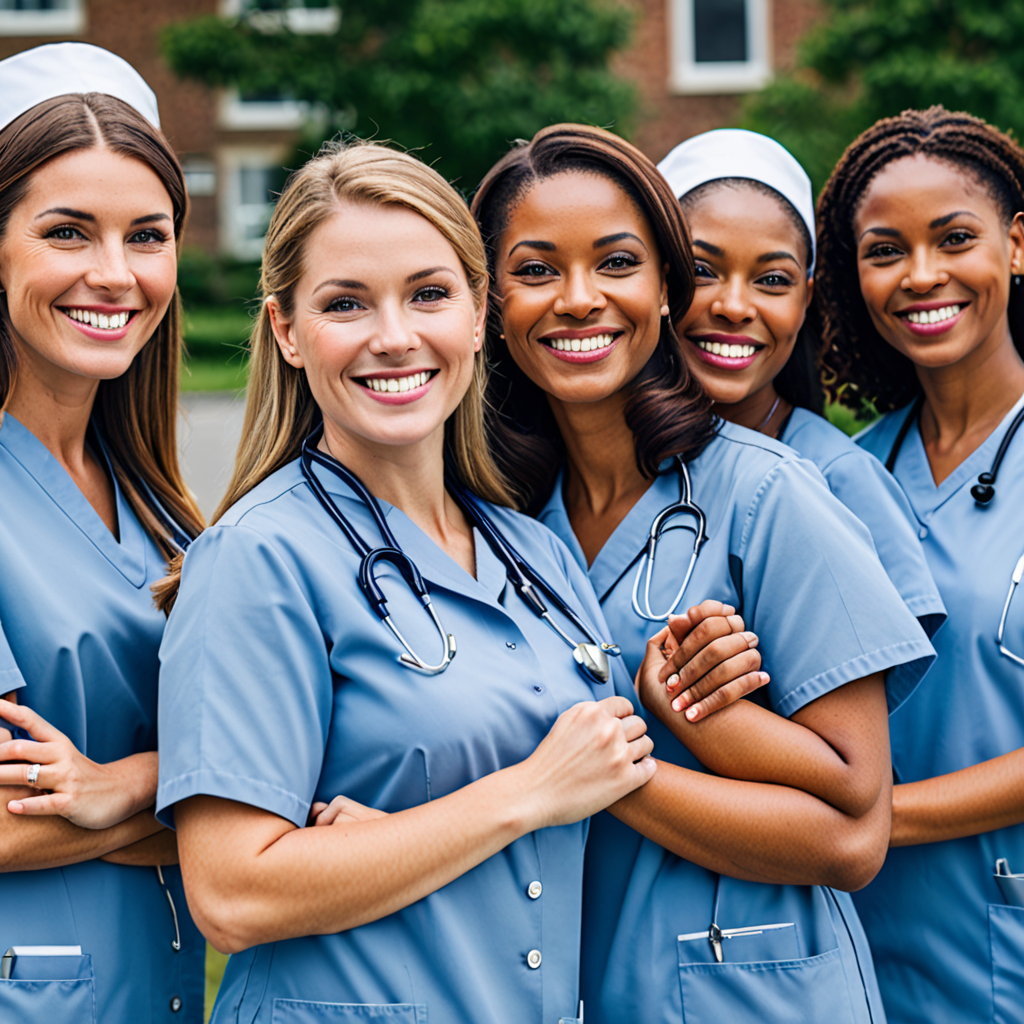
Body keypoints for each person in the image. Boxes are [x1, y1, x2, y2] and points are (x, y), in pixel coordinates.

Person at [154, 141, 664, 1024]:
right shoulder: (258, 557)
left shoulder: (532, 554)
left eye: (429, 293)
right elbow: (234, 895)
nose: (395, 336)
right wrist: (522, 794)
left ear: (477, 315)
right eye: (346, 303)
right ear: (286, 331)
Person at [471, 123, 936, 1024]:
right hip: (550, 982)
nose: (578, 299)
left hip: (756, 995)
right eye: (534, 270)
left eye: (616, 263)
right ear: (490, 300)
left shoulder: (775, 498)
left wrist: (610, 771)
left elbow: (853, 837)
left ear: (662, 290)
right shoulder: (491, 516)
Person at [0, 43, 205, 1024]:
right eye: (69, 232)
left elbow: (291, 773)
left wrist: (119, 782)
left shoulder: (162, 504)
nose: (114, 275)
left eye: (147, 235)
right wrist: (201, 805)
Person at [815, 105, 1024, 1024]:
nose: (922, 275)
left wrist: (863, 824)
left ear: (1017, 246)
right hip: (860, 956)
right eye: (884, 249)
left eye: (955, 239)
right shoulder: (838, 473)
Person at [658, 128, 945, 639]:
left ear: (806, 297)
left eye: (772, 280)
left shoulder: (841, 480)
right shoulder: (600, 458)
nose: (735, 307)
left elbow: (879, 713)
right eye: (702, 271)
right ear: (656, 280)